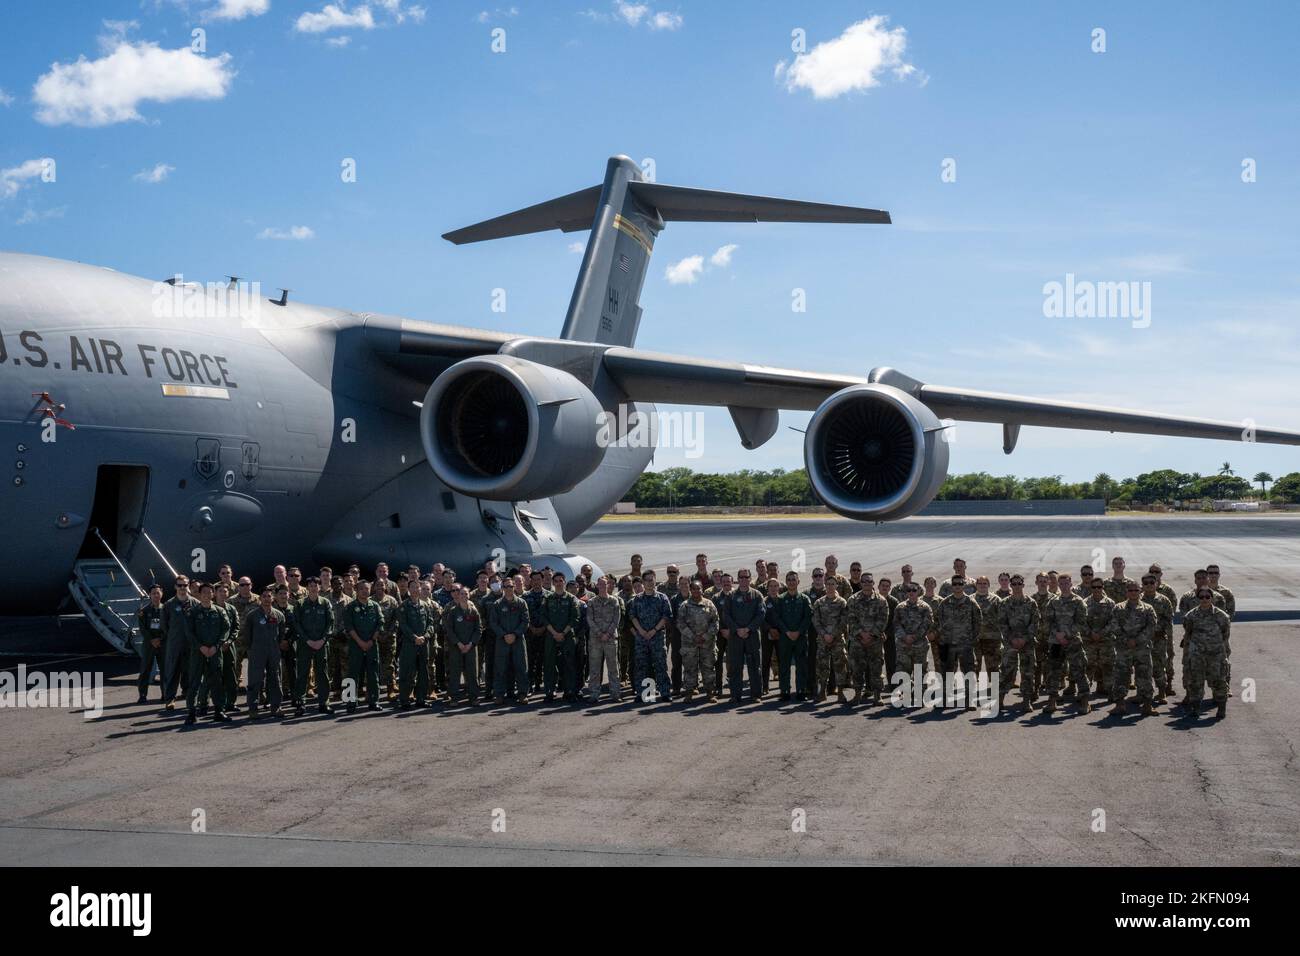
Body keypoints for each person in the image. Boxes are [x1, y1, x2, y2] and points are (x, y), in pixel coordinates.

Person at [184, 583, 231, 726]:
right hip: (198, 652)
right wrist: (201, 646)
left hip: (215, 652)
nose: (206, 594)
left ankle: (219, 710)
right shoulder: (192, 612)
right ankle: (191, 712)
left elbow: (226, 629)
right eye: (203, 592)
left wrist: (217, 646)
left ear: (213, 594)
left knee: (217, 681)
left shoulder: (219, 611)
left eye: (209, 592)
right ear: (199, 594)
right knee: (194, 682)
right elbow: (189, 632)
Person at [1108, 582, 1157, 717]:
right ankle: (1120, 705)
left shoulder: (1148, 608)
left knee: (1145, 676)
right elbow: (1114, 626)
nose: (1133, 592)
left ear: (1140, 591)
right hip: (1124, 649)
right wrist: (1126, 640)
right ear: (1127, 592)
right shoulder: (1118, 608)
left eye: (1136, 590)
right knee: (1121, 676)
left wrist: (1137, 640)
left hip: (1142, 649)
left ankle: (1147, 704)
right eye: (1131, 590)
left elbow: (1151, 627)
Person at [1042, 573, 1089, 714]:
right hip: (1056, 642)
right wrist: (1057, 634)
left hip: (1073, 641)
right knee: (1054, 671)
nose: (1063, 586)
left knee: (1079, 670)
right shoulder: (1053, 601)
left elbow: (1081, 622)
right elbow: (1048, 621)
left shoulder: (1078, 601)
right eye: (1060, 583)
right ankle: (1052, 701)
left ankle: (1085, 701)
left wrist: (1066, 634)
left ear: (1070, 583)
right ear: (1057, 584)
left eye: (1066, 583)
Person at [1182, 587, 1230, 720]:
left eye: (1207, 597)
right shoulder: (1191, 615)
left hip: (1216, 655)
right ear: (1198, 599)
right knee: (1195, 682)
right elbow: (1188, 634)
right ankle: (1195, 708)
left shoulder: (1221, 616)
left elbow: (1225, 635)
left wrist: (1216, 648)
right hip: (1197, 655)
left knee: (1218, 681)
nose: (1204, 599)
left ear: (1212, 598)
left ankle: (1221, 708)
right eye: (1201, 597)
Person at [935, 578, 981, 710]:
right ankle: (946, 698)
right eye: (954, 584)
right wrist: (942, 639)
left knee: (968, 672)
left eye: (960, 584)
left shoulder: (971, 602)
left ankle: (970, 700)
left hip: (965, 644)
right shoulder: (944, 603)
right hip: (948, 643)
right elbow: (938, 621)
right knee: (947, 672)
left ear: (963, 585)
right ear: (951, 586)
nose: (957, 586)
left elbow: (978, 622)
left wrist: (972, 639)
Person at [293, 577, 335, 717]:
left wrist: (323, 639)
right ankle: (300, 703)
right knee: (303, 673)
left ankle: (324, 703)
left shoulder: (325, 603)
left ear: (319, 587)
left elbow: (330, 623)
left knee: (322, 673)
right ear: (307, 588)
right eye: (310, 586)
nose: (313, 588)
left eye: (315, 586)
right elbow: (297, 624)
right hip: (305, 644)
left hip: (321, 643)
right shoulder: (300, 604)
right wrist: (307, 640)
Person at [846, 576, 890, 706]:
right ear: (861, 583)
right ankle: (857, 695)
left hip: (875, 641)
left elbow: (883, 619)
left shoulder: (881, 601)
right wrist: (861, 634)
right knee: (857, 668)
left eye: (869, 581)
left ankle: (877, 696)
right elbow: (850, 619)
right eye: (864, 581)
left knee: (876, 669)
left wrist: (872, 635)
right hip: (857, 641)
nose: (866, 584)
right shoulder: (853, 600)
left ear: (873, 583)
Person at [724, 568, 765, 703]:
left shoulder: (756, 595)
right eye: (741, 577)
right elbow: (726, 615)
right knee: (736, 666)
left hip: (751, 635)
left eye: (746, 577)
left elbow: (761, 614)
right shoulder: (731, 596)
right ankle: (735, 695)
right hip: (735, 637)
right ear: (738, 579)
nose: (743, 580)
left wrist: (748, 629)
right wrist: (737, 629)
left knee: (754, 666)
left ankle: (756, 695)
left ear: (749, 578)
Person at [244, 587, 285, 721]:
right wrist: (251, 649)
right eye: (264, 596)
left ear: (273, 598)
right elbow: (247, 635)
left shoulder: (278, 615)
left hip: (273, 651)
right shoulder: (252, 615)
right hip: (257, 651)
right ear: (260, 598)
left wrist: (276, 647)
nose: (267, 599)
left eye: (269, 596)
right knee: (255, 680)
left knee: (275, 679)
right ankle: (253, 708)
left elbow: (282, 634)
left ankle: (276, 706)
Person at [396, 578, 437, 710]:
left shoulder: (425, 605)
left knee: (423, 672)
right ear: (409, 590)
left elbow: (431, 623)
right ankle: (405, 700)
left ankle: (421, 698)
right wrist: (414, 637)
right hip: (409, 644)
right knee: (407, 672)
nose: (415, 590)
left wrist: (425, 636)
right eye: (412, 587)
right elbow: (403, 625)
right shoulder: (403, 606)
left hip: (424, 644)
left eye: (417, 587)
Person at [676, 580, 720, 703]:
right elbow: (680, 623)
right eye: (694, 588)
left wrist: (705, 636)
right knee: (690, 669)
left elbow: (715, 622)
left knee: (708, 668)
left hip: (707, 643)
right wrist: (693, 636)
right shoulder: (684, 605)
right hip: (690, 644)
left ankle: (710, 693)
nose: (696, 591)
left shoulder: (709, 604)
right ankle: (689, 693)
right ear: (690, 590)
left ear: (702, 589)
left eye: (698, 588)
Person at [344, 581, 385, 712]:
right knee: (352, 674)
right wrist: (360, 642)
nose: (364, 591)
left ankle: (374, 701)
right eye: (361, 589)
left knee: (373, 674)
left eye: (367, 589)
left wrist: (372, 640)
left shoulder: (375, 606)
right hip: (356, 644)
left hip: (372, 645)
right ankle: (350, 702)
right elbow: (349, 626)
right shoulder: (350, 607)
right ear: (356, 590)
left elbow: (380, 623)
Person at [541, 572, 581, 703]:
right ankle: (549, 691)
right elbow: (544, 617)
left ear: (564, 582)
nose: (559, 583)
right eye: (556, 581)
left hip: (567, 635)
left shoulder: (571, 599)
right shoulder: (547, 598)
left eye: (561, 580)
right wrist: (554, 633)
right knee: (549, 664)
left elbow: (575, 618)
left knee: (569, 663)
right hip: (551, 635)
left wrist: (563, 633)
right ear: (553, 583)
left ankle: (569, 691)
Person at [489, 579, 531, 704]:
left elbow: (525, 621)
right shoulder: (497, 604)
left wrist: (515, 634)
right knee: (500, 667)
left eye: (510, 586)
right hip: (502, 640)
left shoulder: (521, 603)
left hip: (518, 639)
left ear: (514, 587)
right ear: (502, 588)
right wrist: (504, 635)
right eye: (506, 586)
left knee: (521, 666)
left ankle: (523, 693)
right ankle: (499, 694)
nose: (508, 589)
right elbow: (493, 622)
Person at [810, 578, 850, 706]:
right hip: (823, 640)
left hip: (837, 639)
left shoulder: (842, 602)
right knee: (822, 666)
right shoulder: (819, 603)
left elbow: (844, 621)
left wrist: (833, 634)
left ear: (836, 586)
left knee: (840, 666)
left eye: (833, 584)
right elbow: (816, 621)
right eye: (828, 584)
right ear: (825, 586)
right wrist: (824, 634)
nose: (830, 586)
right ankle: (822, 692)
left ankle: (840, 693)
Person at [443, 584, 483, 706]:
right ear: (458, 596)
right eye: (461, 594)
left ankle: (473, 697)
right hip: (456, 647)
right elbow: (449, 629)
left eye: (466, 593)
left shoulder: (474, 611)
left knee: (472, 673)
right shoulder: (453, 611)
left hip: (471, 647)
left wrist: (471, 643)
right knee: (455, 672)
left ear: (469, 595)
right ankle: (454, 698)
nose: (464, 596)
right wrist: (459, 643)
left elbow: (479, 629)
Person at [586, 576, 623, 703]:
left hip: (610, 639)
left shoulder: (614, 601)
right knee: (594, 668)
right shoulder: (592, 602)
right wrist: (599, 633)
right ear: (597, 586)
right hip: (596, 640)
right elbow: (590, 620)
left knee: (613, 667)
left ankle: (615, 693)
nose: (602, 586)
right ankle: (594, 694)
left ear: (608, 586)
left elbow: (616, 619)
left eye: (605, 584)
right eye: (600, 584)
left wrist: (607, 633)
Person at [160, 576, 195, 712]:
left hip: (191, 644)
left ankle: (189, 696)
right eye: (179, 585)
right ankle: (170, 699)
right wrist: (174, 637)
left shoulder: (195, 603)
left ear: (188, 586)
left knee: (191, 671)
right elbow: (164, 626)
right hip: (174, 644)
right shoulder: (168, 605)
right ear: (175, 587)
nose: (182, 588)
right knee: (173, 671)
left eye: (185, 585)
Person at [1141, 574, 1175, 703]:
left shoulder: (1164, 600)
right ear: (1142, 585)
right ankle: (1142, 693)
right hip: (1142, 640)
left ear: (1156, 584)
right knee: (1142, 667)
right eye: (1146, 583)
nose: (1149, 585)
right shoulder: (1138, 599)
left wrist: (1158, 631)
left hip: (1159, 639)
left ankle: (1162, 692)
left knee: (1159, 666)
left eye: (1151, 582)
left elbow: (1169, 619)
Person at [136, 584, 165, 703]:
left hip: (163, 643)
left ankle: (165, 694)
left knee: (165, 670)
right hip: (149, 644)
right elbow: (142, 628)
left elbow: (169, 627)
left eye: (158, 593)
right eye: (153, 593)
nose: (156, 595)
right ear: (149, 595)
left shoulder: (166, 610)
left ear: (162, 594)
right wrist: (152, 640)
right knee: (145, 669)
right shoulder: (144, 611)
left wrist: (160, 639)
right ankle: (142, 695)